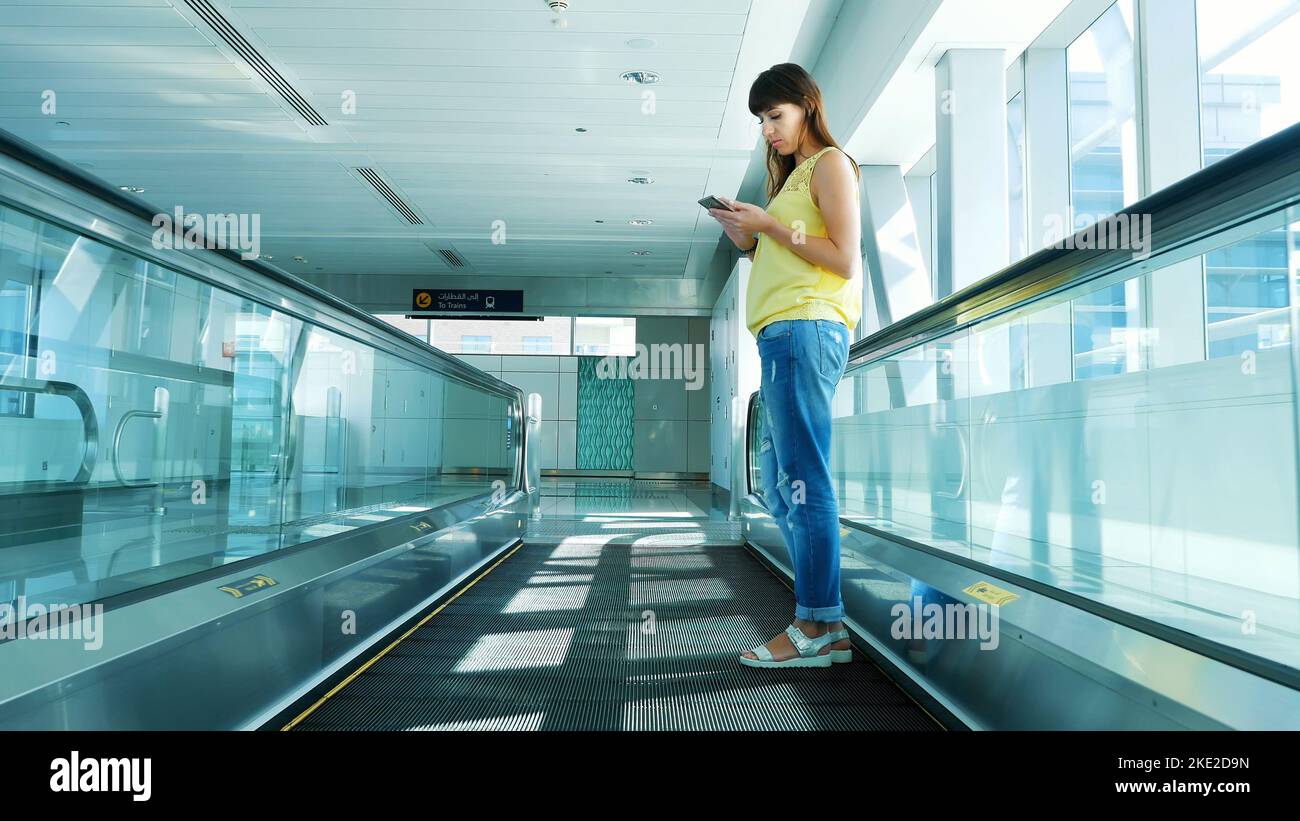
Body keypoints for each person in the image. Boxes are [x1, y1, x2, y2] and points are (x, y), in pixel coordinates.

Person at [708, 63, 863, 668]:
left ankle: (815, 625)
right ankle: (826, 621)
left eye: (776, 115)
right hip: (781, 336)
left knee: (805, 482)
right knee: (777, 483)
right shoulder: (793, 178)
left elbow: (843, 259)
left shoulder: (830, 164)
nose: (768, 130)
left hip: (806, 329)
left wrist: (770, 224)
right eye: (761, 121)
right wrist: (749, 235)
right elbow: (792, 249)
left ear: (805, 105)